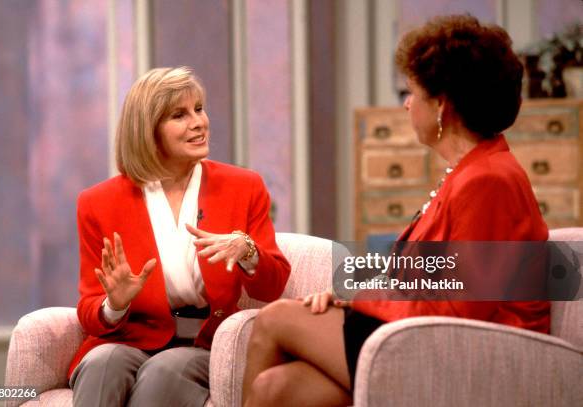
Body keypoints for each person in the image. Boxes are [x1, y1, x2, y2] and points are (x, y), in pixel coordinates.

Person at [242, 14, 550, 406]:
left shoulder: (489, 180)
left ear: (441, 105)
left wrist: (359, 297)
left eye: (412, 92)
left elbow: (461, 302)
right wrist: (351, 295)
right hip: (430, 335)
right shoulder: (471, 172)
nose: (406, 105)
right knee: (276, 389)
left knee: (274, 319)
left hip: (477, 353)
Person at [67, 66, 291, 407]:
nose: (199, 122)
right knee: (102, 363)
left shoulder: (244, 187)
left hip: (206, 344)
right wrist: (116, 303)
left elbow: (271, 287)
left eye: (199, 109)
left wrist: (248, 251)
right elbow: (88, 309)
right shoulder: (98, 203)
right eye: (179, 115)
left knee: (165, 369)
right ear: (148, 130)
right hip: (132, 339)